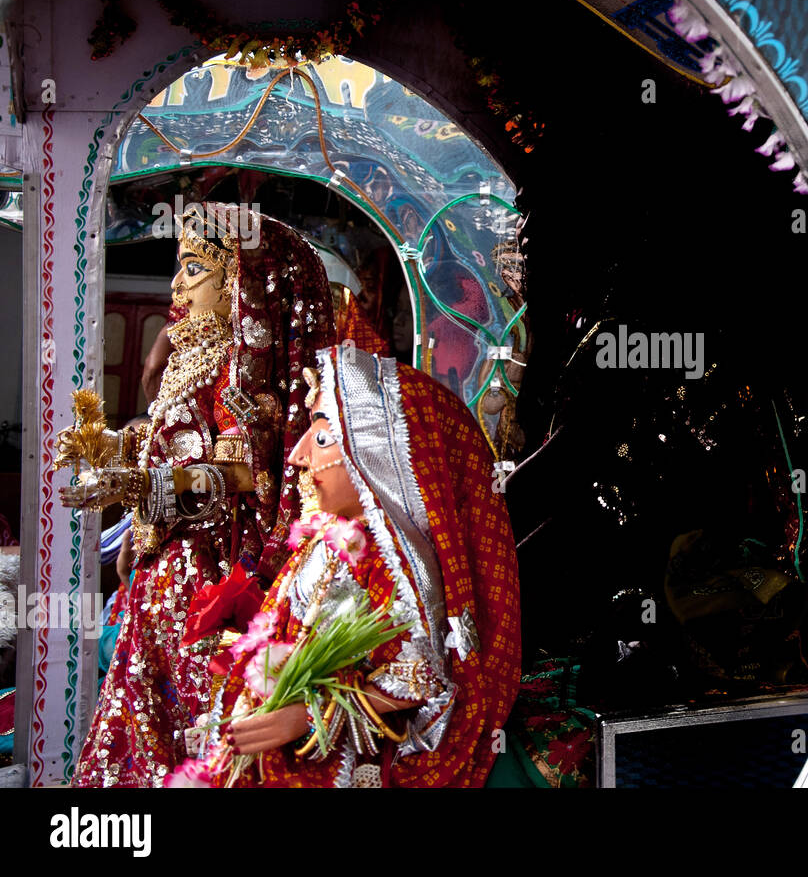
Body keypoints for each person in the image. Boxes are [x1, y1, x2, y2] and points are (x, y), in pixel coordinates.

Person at [58, 205, 335, 785]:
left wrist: (141, 486)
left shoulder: (242, 373)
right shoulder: (191, 358)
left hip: (200, 581)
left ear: (237, 277)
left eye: (193, 269)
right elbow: (176, 449)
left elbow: (240, 482)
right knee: (138, 726)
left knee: (188, 734)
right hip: (159, 574)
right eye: (179, 268)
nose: (178, 284)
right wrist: (113, 453)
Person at [188, 345, 520, 787]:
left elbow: (420, 675)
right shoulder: (329, 538)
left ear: (376, 454)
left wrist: (305, 716)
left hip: (339, 750)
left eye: (323, 438)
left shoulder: (389, 562)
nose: (299, 456)